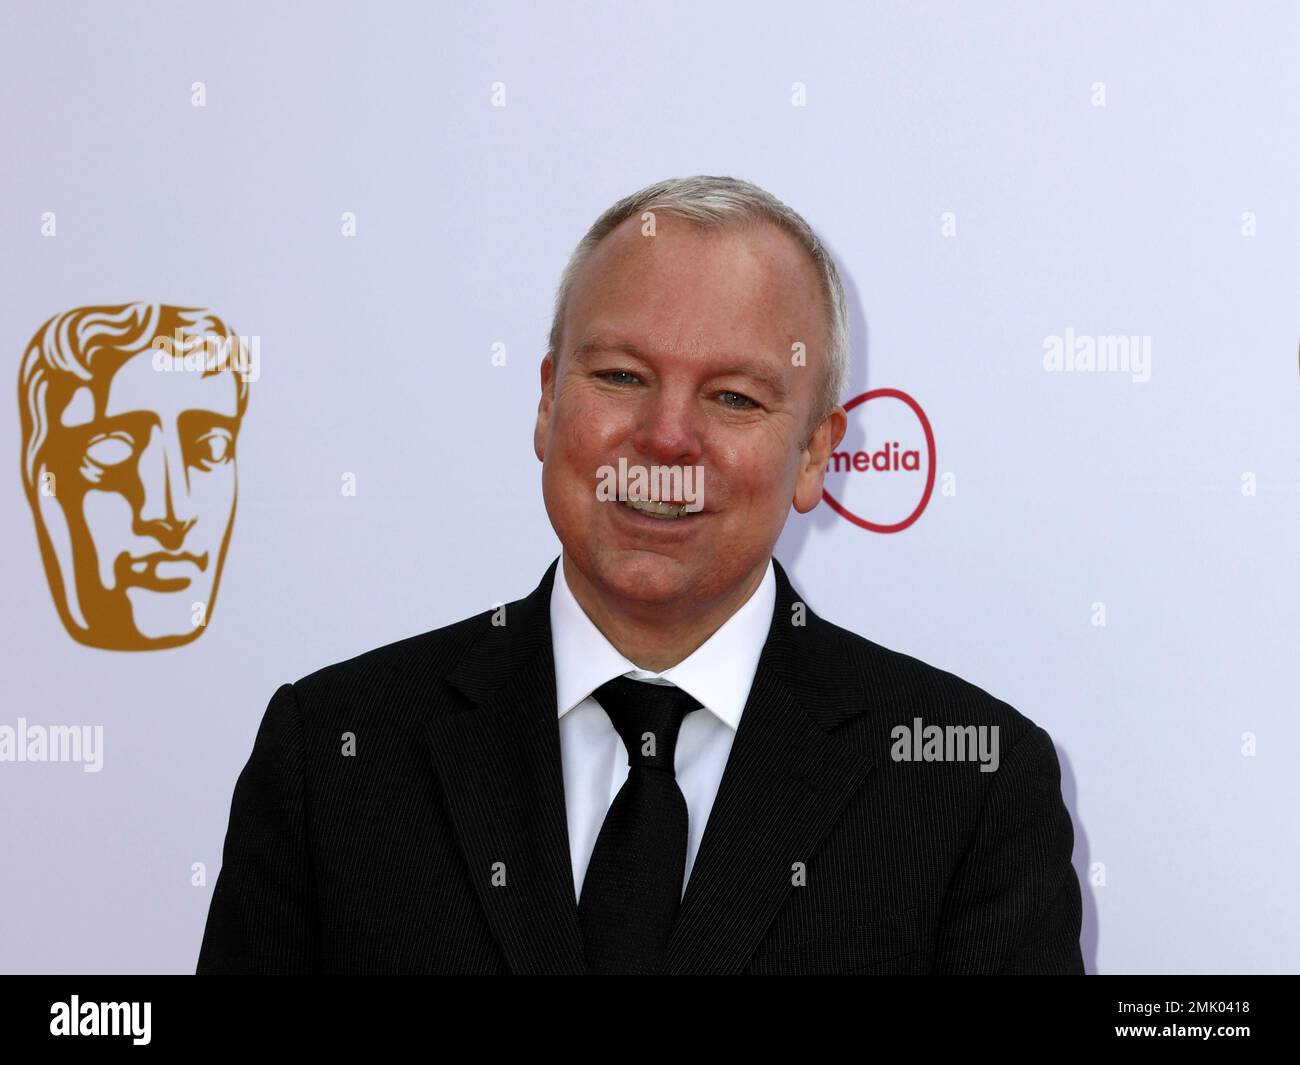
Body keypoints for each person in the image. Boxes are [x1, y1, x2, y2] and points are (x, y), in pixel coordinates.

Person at [197, 175, 1084, 974]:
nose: (665, 439)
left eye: (734, 396)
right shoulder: (333, 754)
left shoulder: (970, 787)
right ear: (548, 402)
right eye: (621, 376)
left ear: (816, 452)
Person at [19, 303, 249, 651]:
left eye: (211, 448)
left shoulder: (313, 702)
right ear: (41, 478)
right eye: (112, 448)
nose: (172, 514)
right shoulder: (305, 704)